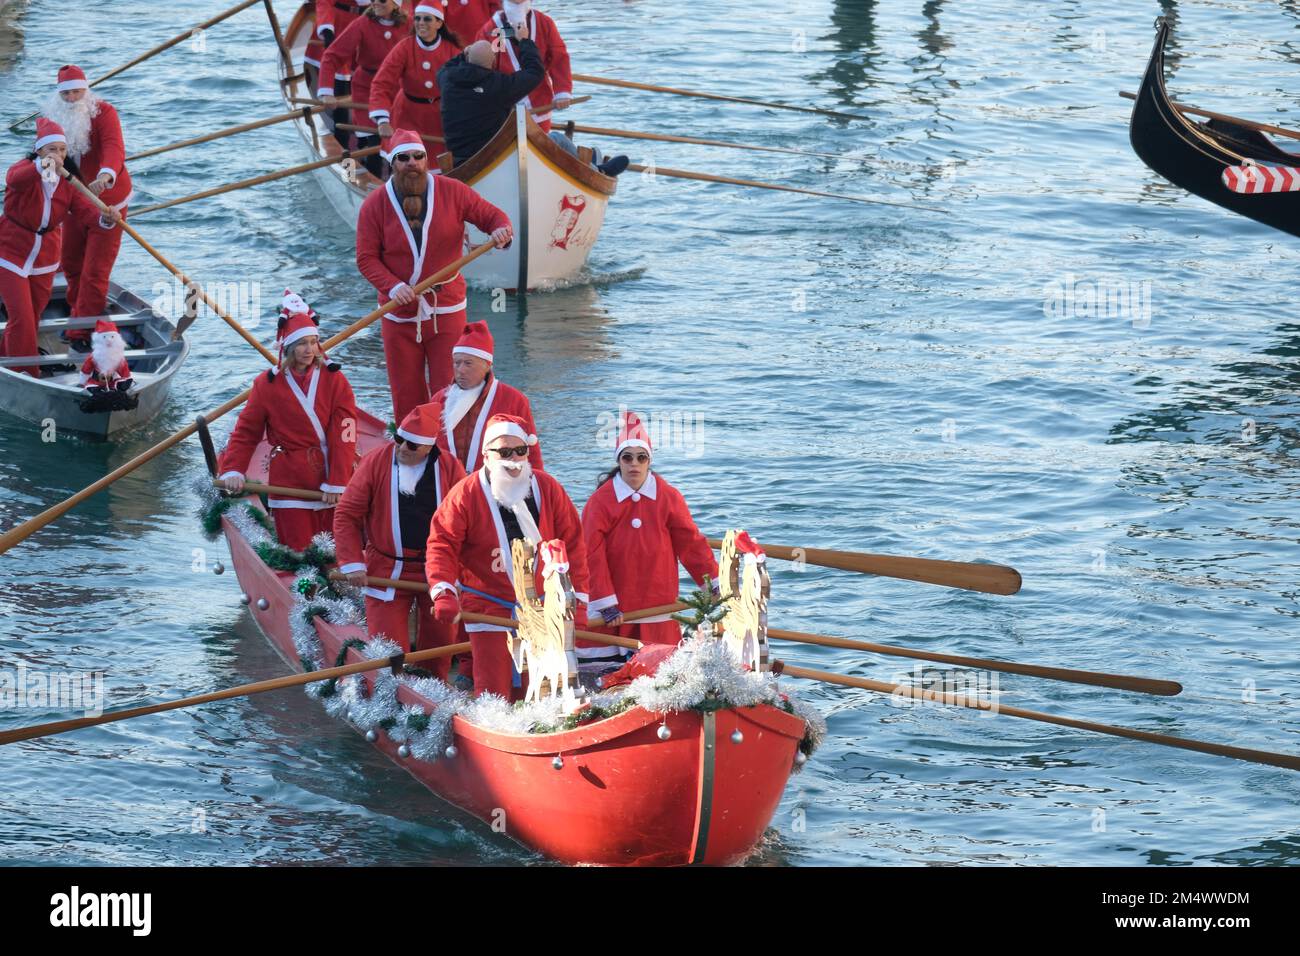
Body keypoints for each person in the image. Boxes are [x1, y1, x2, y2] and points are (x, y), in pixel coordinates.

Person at [425, 413, 589, 698]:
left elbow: (574, 544)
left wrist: (580, 599)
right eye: (504, 452)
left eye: (520, 451)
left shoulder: (547, 487)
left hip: (543, 605)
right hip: (489, 607)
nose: (513, 459)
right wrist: (443, 591)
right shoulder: (464, 494)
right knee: (493, 687)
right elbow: (442, 545)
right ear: (486, 455)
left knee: (543, 688)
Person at [355, 128, 512, 422]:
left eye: (418, 156)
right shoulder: (374, 205)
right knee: (406, 392)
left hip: (447, 306)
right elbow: (366, 259)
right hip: (398, 311)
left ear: (427, 160)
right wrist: (392, 287)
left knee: (449, 387)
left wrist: (500, 229)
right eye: (404, 158)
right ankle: (410, 450)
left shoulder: (453, 191)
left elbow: (492, 215)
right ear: (392, 163)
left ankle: (450, 452)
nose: (412, 163)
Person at [334, 402, 466, 680]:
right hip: (386, 568)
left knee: (440, 645)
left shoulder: (451, 467)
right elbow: (347, 514)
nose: (403, 448)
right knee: (387, 651)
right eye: (399, 439)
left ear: (430, 448)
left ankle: (434, 694)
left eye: (412, 445)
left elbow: (467, 520)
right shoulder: (375, 462)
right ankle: (392, 694)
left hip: (437, 570)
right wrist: (351, 562)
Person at [218, 292, 358, 552]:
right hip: (289, 480)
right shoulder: (267, 384)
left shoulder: (335, 380)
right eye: (302, 343)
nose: (309, 350)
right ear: (289, 347)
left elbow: (345, 434)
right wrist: (233, 469)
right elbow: (247, 431)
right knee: (298, 549)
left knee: (334, 551)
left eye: (313, 342)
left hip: (331, 477)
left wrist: (338, 481)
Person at [581, 412, 719, 663]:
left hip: (657, 601)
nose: (634, 463)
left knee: (659, 668)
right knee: (609, 671)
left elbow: (690, 542)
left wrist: (712, 583)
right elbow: (590, 553)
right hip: (615, 607)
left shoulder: (667, 496)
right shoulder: (600, 501)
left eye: (641, 457)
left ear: (649, 461)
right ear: (619, 461)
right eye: (628, 457)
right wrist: (605, 601)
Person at [439, 34, 627, 173]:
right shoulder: (499, 86)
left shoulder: (446, 80)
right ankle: (597, 170)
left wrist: (464, 55)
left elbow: (444, 68)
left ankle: (587, 162)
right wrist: (524, 41)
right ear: (493, 61)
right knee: (557, 138)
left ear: (467, 57)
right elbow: (535, 72)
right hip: (498, 157)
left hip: (461, 159)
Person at [42, 64, 132, 350]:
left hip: (107, 203)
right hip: (73, 202)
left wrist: (106, 175)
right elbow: (42, 157)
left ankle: (81, 331)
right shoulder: (52, 118)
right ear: (58, 95)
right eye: (66, 93)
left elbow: (113, 147)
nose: (72, 98)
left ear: (87, 89)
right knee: (70, 262)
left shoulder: (105, 113)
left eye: (78, 91)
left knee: (95, 269)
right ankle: (81, 314)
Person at [0, 119, 85, 378]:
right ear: (38, 151)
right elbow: (13, 180)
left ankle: (7, 356)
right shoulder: (24, 170)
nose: (58, 156)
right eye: (51, 150)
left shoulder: (68, 181)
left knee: (33, 316)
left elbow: (85, 210)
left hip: (45, 256)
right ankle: (28, 373)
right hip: (11, 251)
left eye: (61, 150)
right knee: (22, 319)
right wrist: (41, 166)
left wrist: (106, 217)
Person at [428, 320, 542, 473]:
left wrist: (538, 489)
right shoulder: (439, 400)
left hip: (495, 485)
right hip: (446, 483)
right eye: (457, 363)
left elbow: (532, 453)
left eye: (468, 363)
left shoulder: (514, 400)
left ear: (487, 365)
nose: (460, 370)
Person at [318, 0, 409, 173]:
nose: (375, 3)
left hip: (397, 90)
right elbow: (331, 56)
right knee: (375, 141)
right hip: (366, 88)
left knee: (398, 141)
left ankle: (394, 180)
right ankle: (369, 180)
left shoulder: (410, 24)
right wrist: (326, 92)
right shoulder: (362, 23)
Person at [369, 3, 460, 148]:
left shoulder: (452, 51)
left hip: (439, 119)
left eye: (427, 19)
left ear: (439, 23)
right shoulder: (404, 47)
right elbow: (381, 82)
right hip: (406, 115)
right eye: (417, 18)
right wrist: (383, 120)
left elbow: (463, 88)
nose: (421, 23)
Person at [475, 0, 570, 132]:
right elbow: (483, 69)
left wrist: (562, 92)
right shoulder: (492, 29)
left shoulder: (544, 23)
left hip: (539, 103)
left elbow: (559, 58)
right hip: (504, 108)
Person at [78, 317, 133, 393]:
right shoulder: (94, 356)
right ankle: (96, 390)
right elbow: (86, 369)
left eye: (112, 337)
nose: (109, 340)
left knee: (118, 385)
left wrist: (127, 378)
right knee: (91, 387)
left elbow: (124, 369)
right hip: (96, 381)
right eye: (104, 337)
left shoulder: (118, 356)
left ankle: (118, 387)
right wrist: (82, 382)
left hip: (112, 381)